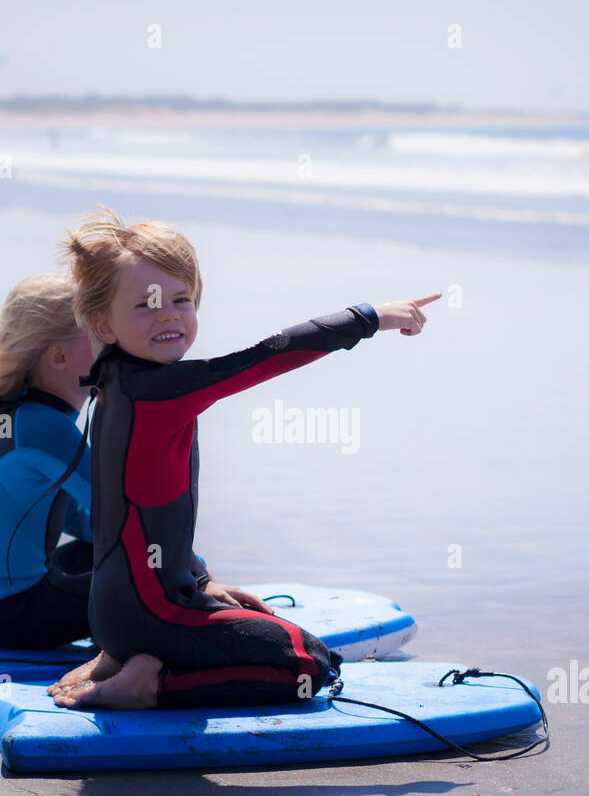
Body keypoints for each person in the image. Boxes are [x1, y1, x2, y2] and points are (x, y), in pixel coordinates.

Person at [47, 206, 437, 709]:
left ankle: (122, 656)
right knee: (309, 662)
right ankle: (152, 686)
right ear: (103, 322)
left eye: (182, 299)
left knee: (276, 631)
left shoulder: (114, 385)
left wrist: (202, 580)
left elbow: (129, 516)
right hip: (153, 613)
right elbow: (273, 353)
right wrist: (371, 318)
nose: (168, 314)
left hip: (118, 613)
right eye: (146, 304)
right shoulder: (163, 391)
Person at [0, 271, 265, 649]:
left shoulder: (26, 416)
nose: (115, 343)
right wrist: (200, 580)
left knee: (126, 558)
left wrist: (169, 562)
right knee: (148, 583)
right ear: (59, 356)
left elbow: (78, 518)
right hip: (10, 615)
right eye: (100, 335)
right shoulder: (44, 428)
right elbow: (128, 512)